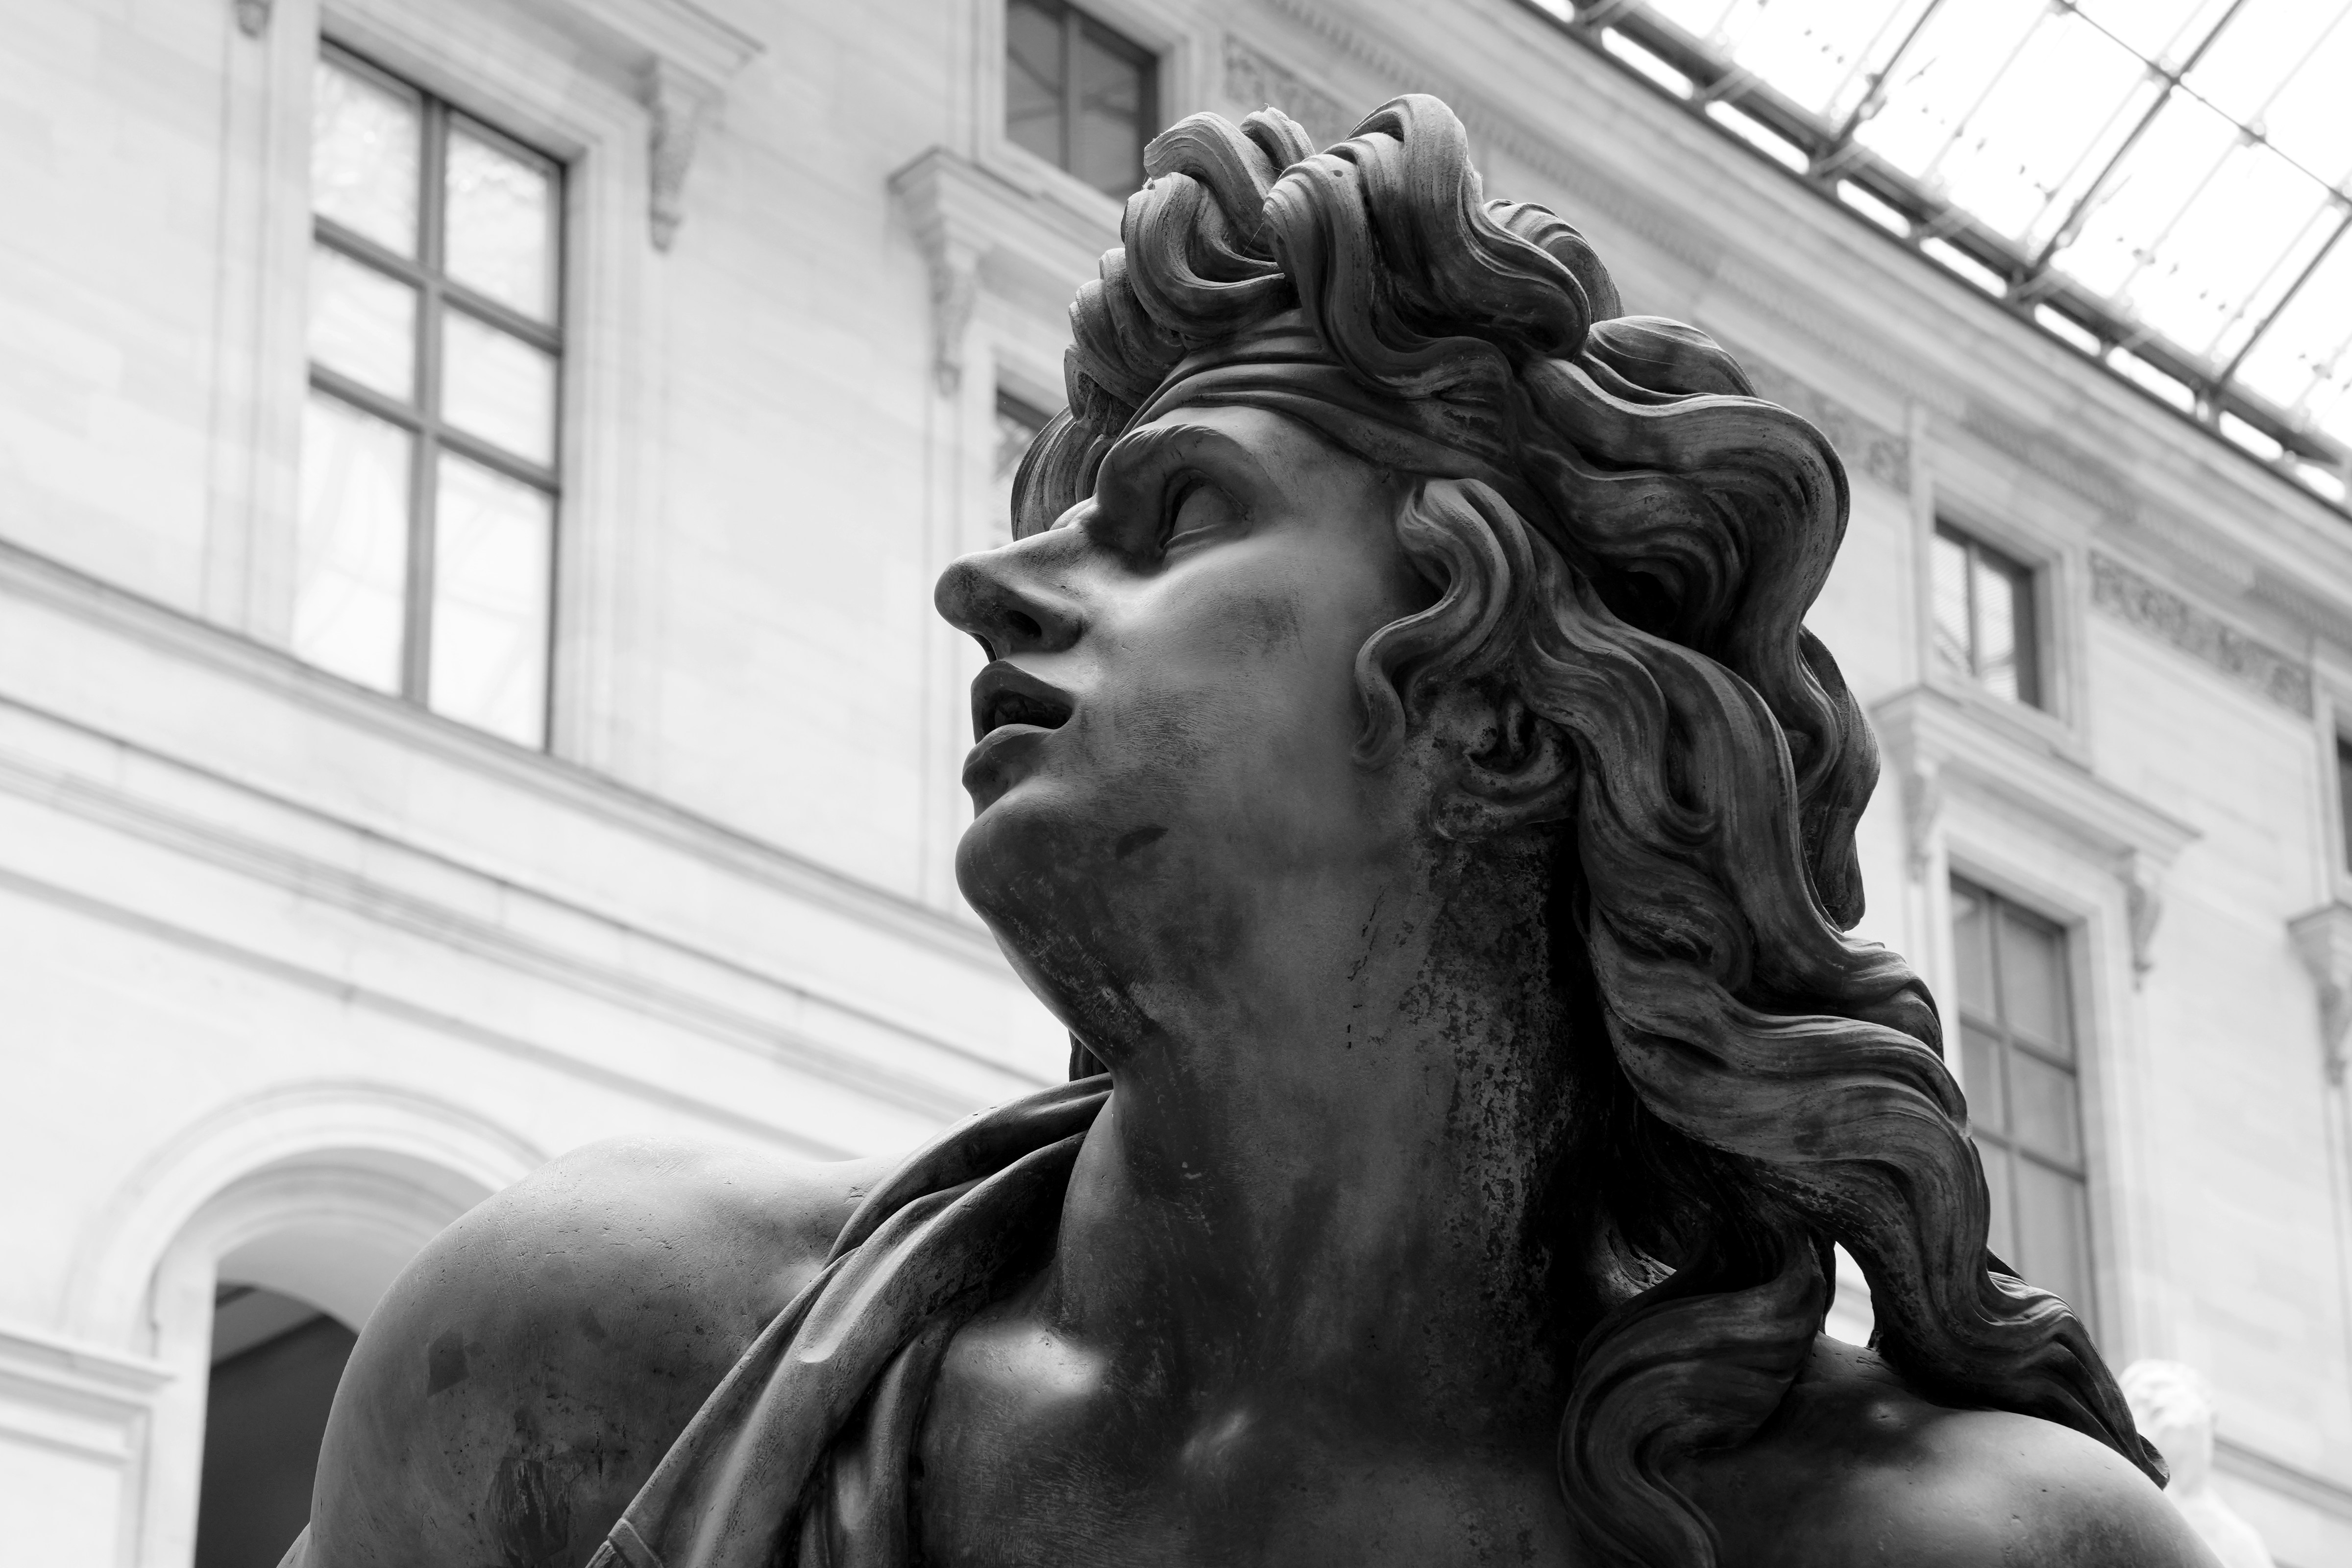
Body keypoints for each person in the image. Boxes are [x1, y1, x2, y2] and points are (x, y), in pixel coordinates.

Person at [290, 97, 2216, 1568]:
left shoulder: (1964, 1544)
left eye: (1186, 512)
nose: (986, 579)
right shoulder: (575, 1355)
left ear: (1495, 704)